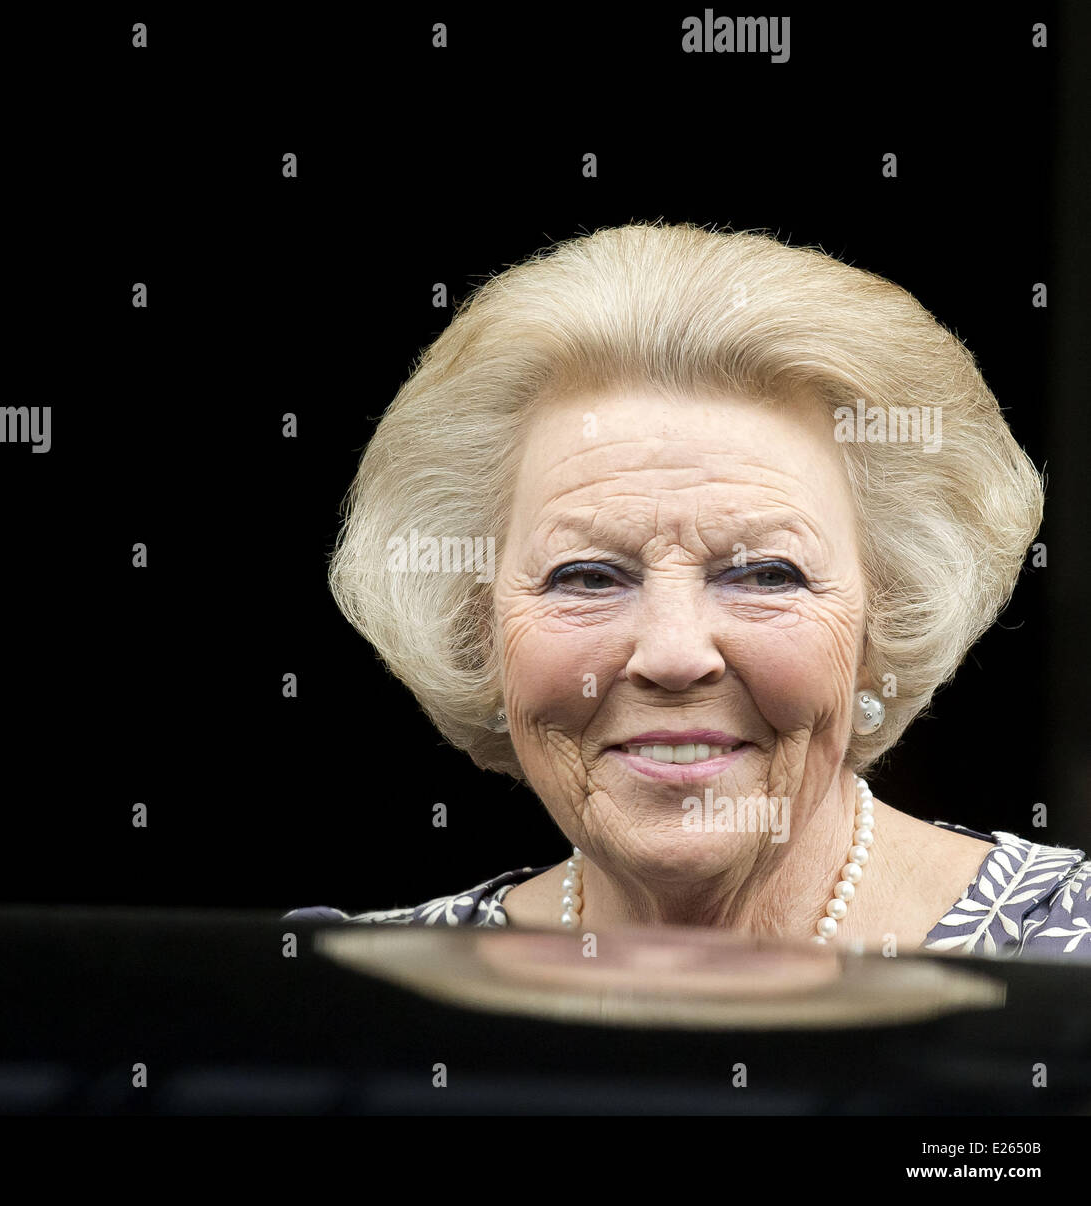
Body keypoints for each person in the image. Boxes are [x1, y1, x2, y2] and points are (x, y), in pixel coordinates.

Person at [285, 221, 1091, 960]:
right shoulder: (349, 1004)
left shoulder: (1067, 955)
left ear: (882, 628)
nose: (674, 656)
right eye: (588, 576)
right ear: (478, 630)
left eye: (767, 574)